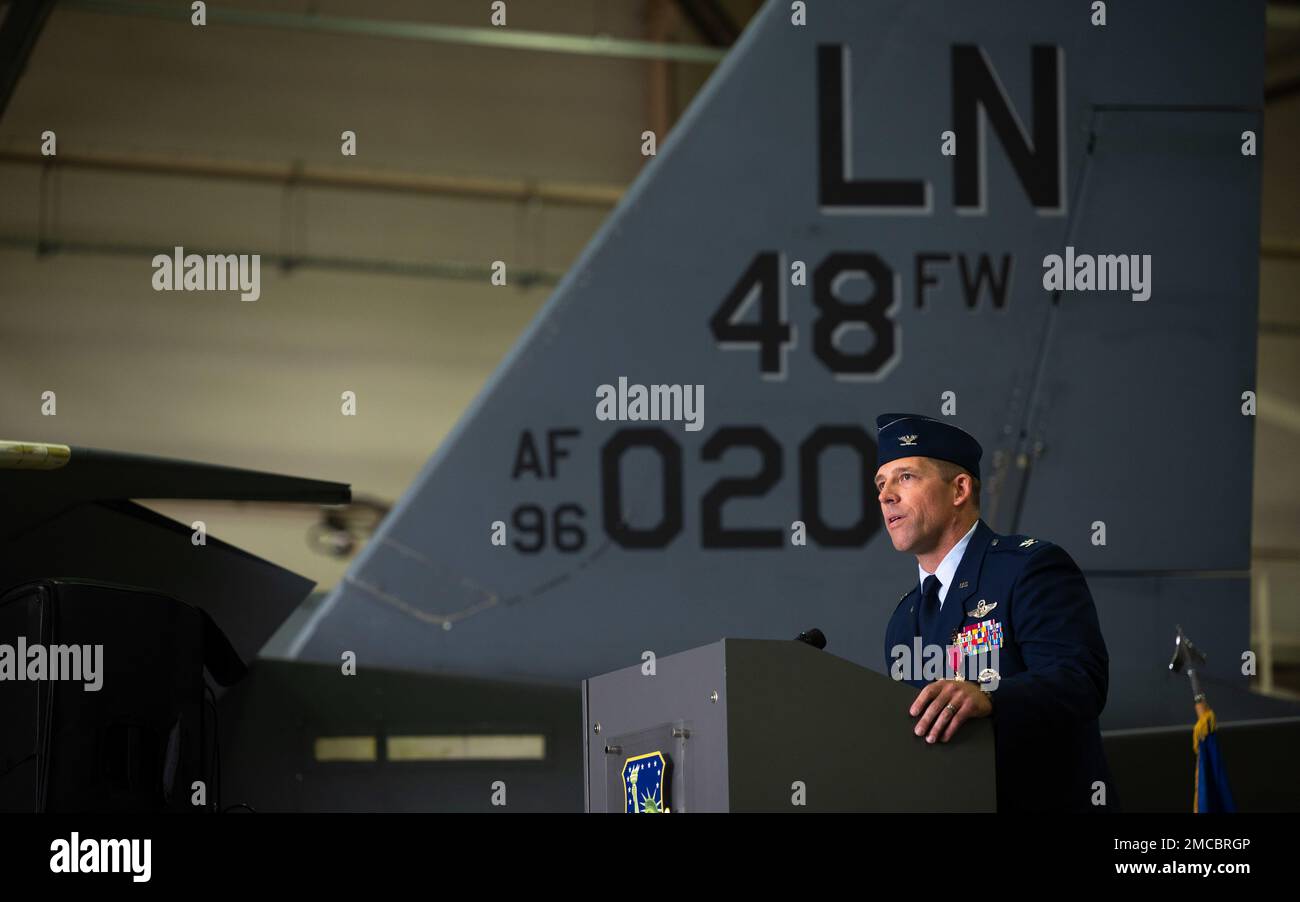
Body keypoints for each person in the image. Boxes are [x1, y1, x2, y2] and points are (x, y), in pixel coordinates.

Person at [875, 412, 1117, 812]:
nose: (885, 495)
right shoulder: (904, 619)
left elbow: (1080, 682)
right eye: (881, 484)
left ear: (960, 489)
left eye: (905, 477)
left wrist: (989, 696)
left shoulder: (1029, 568)